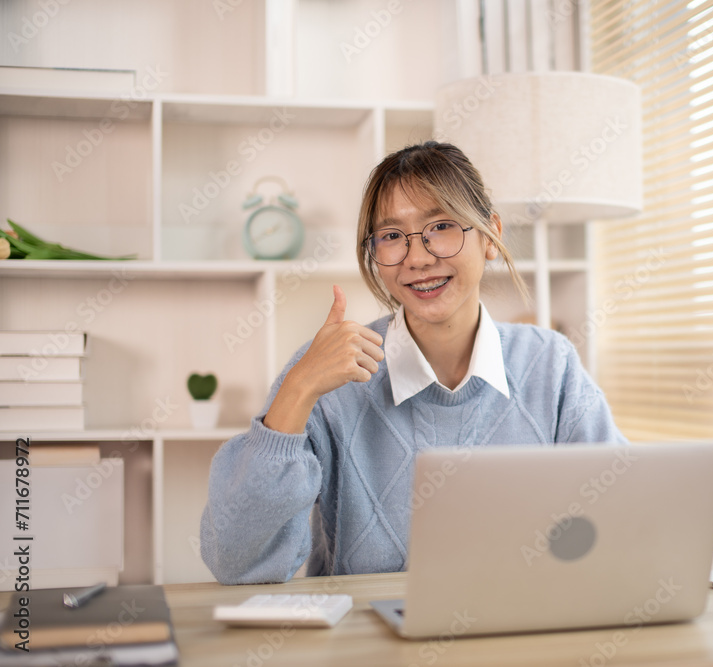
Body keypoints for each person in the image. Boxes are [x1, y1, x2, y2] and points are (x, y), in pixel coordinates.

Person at [200, 141, 625, 584]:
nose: (418, 258)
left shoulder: (549, 364)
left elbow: (620, 520)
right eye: (391, 237)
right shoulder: (329, 378)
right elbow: (237, 563)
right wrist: (297, 390)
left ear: (490, 236)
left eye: (440, 226)